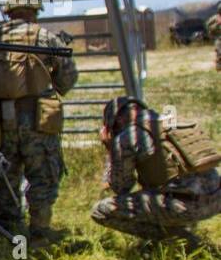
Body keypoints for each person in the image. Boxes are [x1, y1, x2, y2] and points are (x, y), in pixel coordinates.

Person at [0, 0, 79, 243]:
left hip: (2, 120)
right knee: (42, 176)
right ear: (34, 12)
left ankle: (8, 233)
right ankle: (40, 234)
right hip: (38, 121)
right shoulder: (46, 38)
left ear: (8, 11)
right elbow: (67, 79)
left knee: (6, 176)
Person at [91, 97, 221, 243]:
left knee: (101, 210)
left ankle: (183, 241)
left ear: (119, 121)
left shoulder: (128, 136)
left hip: (184, 208)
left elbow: (121, 187)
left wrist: (111, 149)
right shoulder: (175, 122)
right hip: (216, 199)